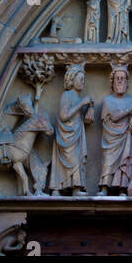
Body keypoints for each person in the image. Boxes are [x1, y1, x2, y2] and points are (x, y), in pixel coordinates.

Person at [49, 64, 93, 194]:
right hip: (66, 135)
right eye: (80, 79)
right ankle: (56, 189)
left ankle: (76, 188)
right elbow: (63, 116)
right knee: (70, 160)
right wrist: (81, 103)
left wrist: (91, 107)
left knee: (77, 161)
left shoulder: (79, 98)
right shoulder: (66, 95)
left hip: (77, 133)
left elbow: (86, 119)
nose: (82, 83)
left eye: (83, 80)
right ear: (72, 79)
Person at [98, 66, 132, 194]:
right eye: (117, 78)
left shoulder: (131, 100)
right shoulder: (108, 100)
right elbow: (113, 117)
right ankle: (104, 187)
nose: (120, 81)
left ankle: (123, 188)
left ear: (127, 83)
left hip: (126, 137)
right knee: (108, 161)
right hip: (111, 138)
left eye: (123, 78)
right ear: (112, 82)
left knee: (125, 161)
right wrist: (130, 110)